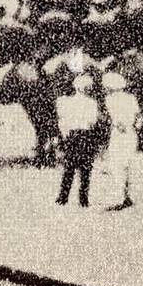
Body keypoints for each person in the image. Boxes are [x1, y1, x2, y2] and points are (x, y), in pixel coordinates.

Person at [55, 73, 102, 208]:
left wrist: (65, 136)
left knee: (69, 168)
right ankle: (83, 199)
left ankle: (63, 197)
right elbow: (93, 121)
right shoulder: (92, 103)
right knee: (85, 170)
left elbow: (63, 120)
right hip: (86, 136)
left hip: (72, 136)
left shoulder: (68, 102)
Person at [99, 71, 141, 210]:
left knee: (117, 165)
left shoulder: (110, 100)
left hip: (118, 133)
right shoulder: (131, 98)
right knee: (128, 165)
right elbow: (138, 118)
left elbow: (110, 118)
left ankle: (119, 197)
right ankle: (128, 195)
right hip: (131, 133)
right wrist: (134, 127)